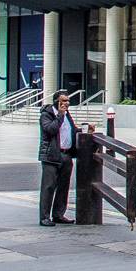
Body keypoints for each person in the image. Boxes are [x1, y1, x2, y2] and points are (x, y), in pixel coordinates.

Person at [37, 90, 77, 226]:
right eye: (63, 101)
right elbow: (50, 130)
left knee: (63, 187)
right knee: (48, 187)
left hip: (66, 154)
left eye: (68, 100)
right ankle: (44, 217)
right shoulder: (46, 115)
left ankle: (58, 214)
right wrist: (59, 115)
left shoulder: (67, 114)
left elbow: (71, 130)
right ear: (56, 102)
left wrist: (84, 130)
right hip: (51, 155)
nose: (66, 103)